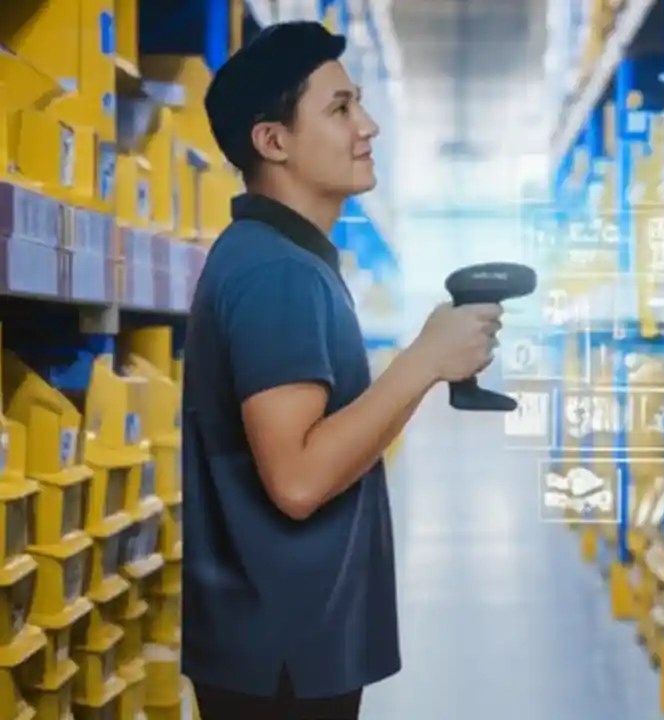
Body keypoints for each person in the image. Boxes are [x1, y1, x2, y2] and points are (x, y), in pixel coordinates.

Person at [182, 21, 502, 719]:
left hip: (279, 642)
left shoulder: (286, 262)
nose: (369, 125)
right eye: (340, 108)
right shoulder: (275, 273)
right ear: (273, 142)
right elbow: (297, 480)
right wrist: (423, 361)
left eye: (359, 102)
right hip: (278, 654)